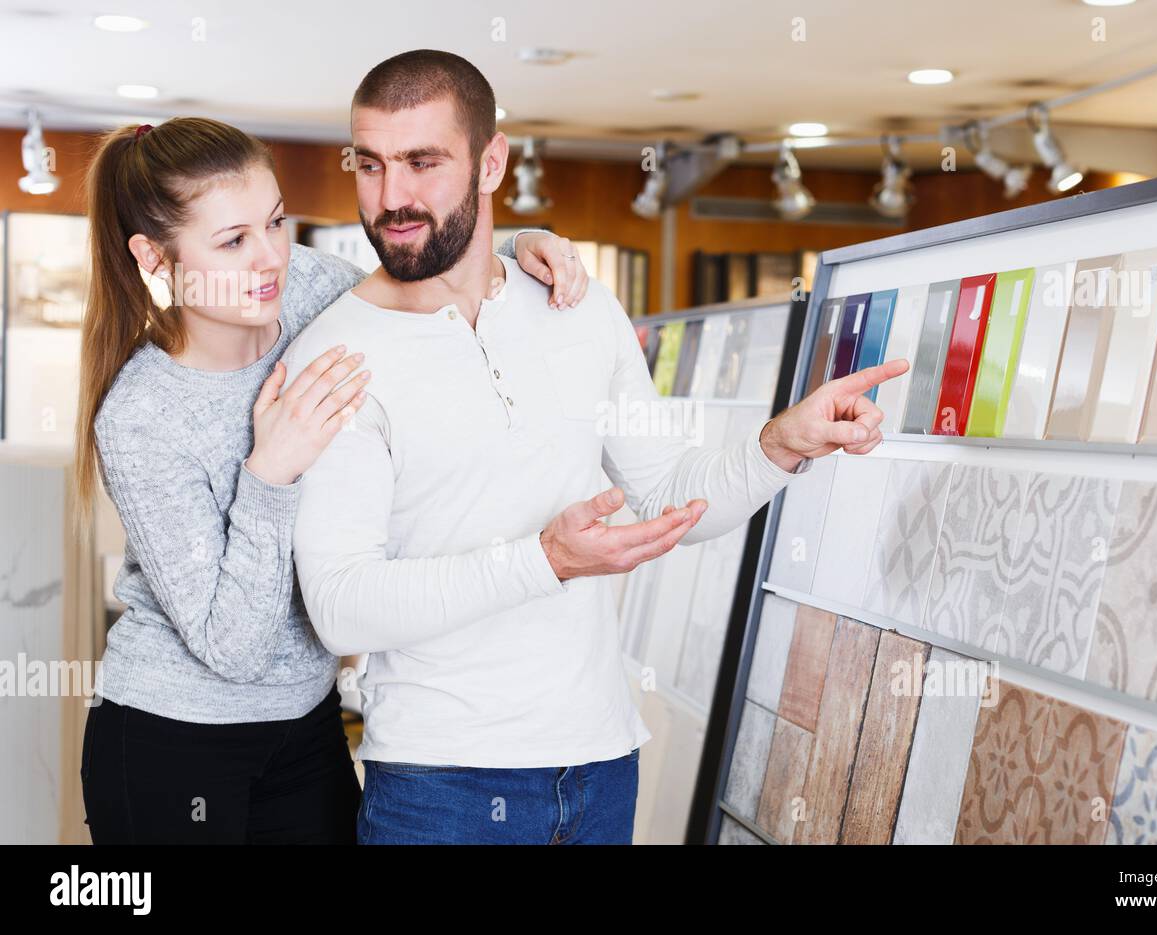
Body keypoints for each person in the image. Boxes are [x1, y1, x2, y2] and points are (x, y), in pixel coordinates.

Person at [285, 49, 906, 845]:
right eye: (368, 165)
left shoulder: (575, 305)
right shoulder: (335, 353)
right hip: (440, 786)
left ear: (491, 162)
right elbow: (342, 607)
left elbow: (666, 494)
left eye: (422, 162)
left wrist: (780, 444)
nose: (390, 197)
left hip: (602, 764)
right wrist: (547, 559)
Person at [73, 114, 590, 844]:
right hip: (172, 738)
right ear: (156, 258)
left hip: (306, 723)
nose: (270, 258)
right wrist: (269, 470)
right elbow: (234, 648)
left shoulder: (309, 289)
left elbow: (424, 285)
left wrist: (520, 251)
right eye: (232, 241)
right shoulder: (141, 418)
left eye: (276, 222)